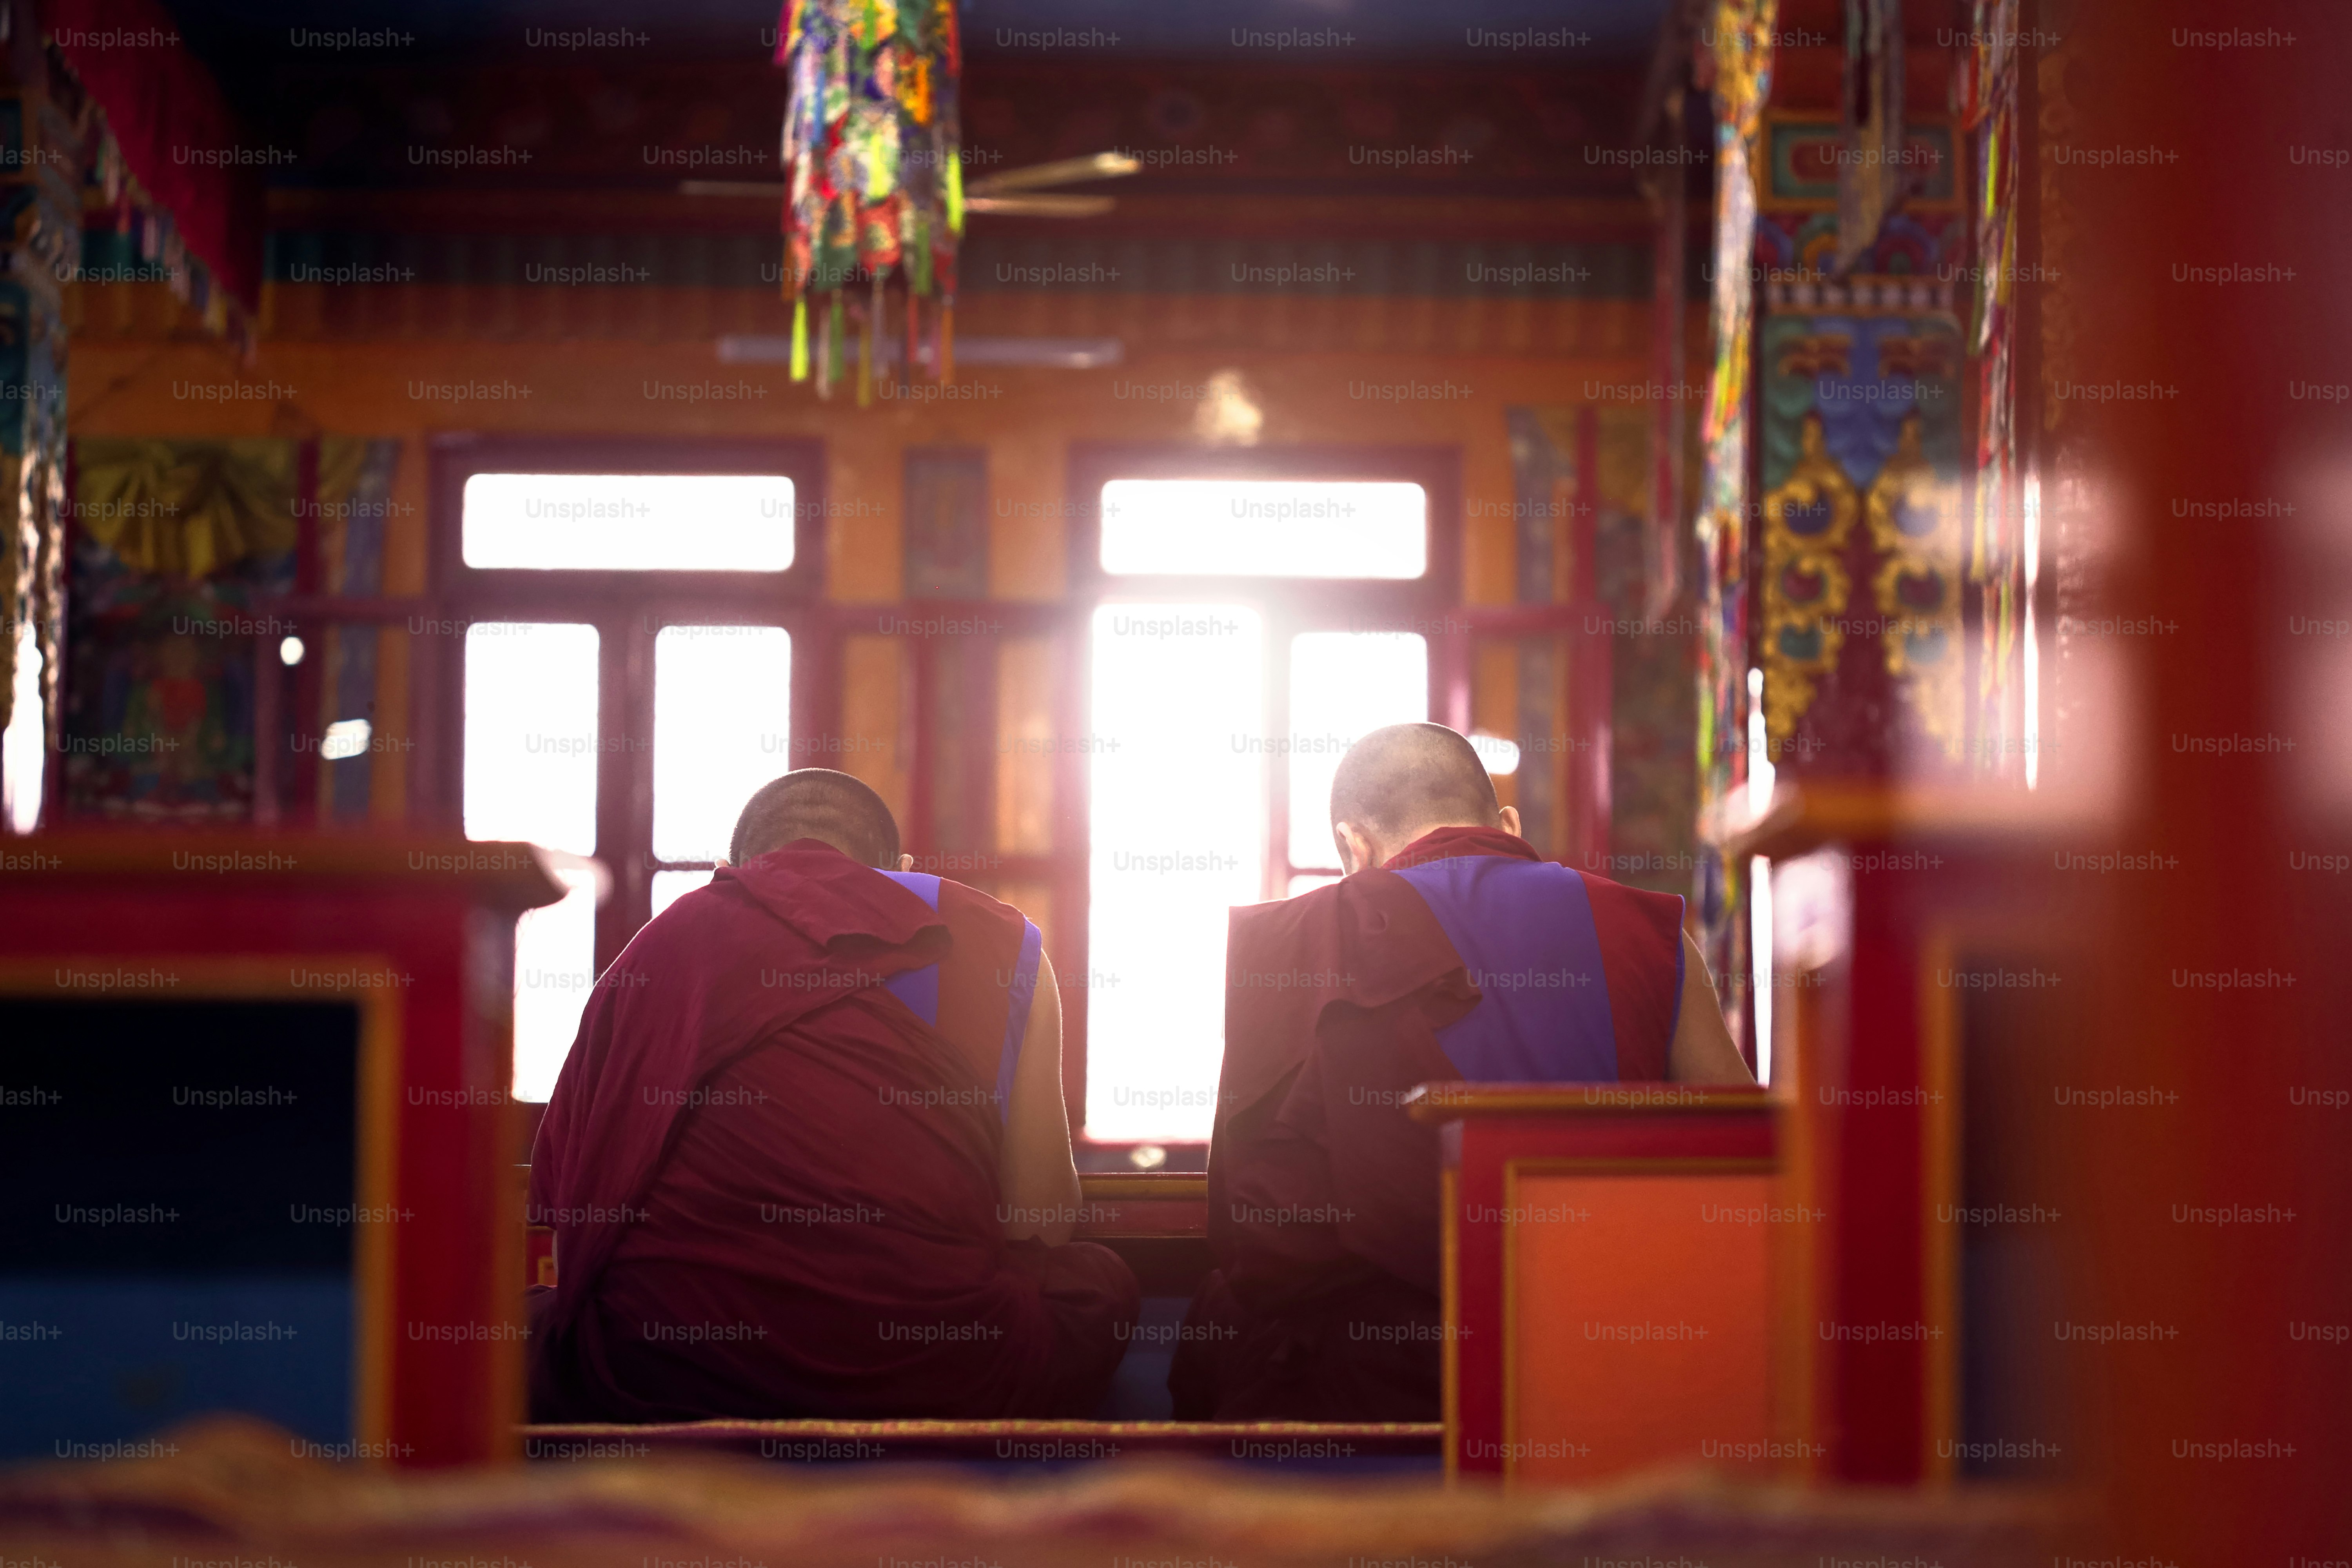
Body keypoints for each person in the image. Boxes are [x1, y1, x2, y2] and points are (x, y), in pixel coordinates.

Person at [1171, 723, 1751, 1421]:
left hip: (1368, 1369)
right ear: (1507, 823)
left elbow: (1247, 1220)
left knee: (1222, 1322)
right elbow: (1745, 1168)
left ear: (1353, 847)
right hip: (1595, 1353)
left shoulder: (1298, 941)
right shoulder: (1651, 934)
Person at [527, 768, 1138, 1421]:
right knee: (1096, 1288)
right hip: (934, 1369)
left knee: (539, 1331)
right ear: (899, 873)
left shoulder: (665, 946)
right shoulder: (999, 942)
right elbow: (1039, 1223)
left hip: (675, 1372)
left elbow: (570, 1219)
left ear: (727, 871)